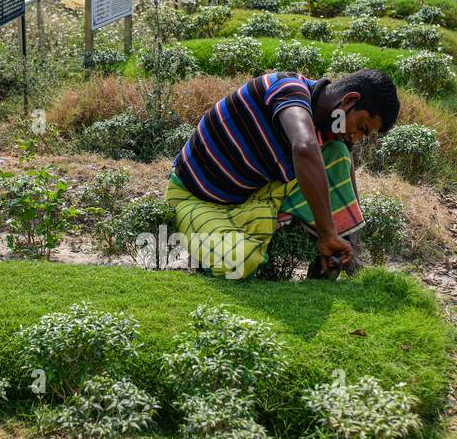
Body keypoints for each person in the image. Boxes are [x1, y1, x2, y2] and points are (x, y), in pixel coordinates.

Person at [166, 69, 399, 281]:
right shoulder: (289, 88)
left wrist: (350, 243)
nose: (355, 137)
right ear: (349, 100)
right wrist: (328, 233)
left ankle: (327, 272)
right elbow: (304, 147)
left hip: (254, 197)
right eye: (361, 127)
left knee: (338, 154)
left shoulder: (332, 132)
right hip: (197, 198)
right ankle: (327, 242)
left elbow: (345, 176)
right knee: (238, 261)